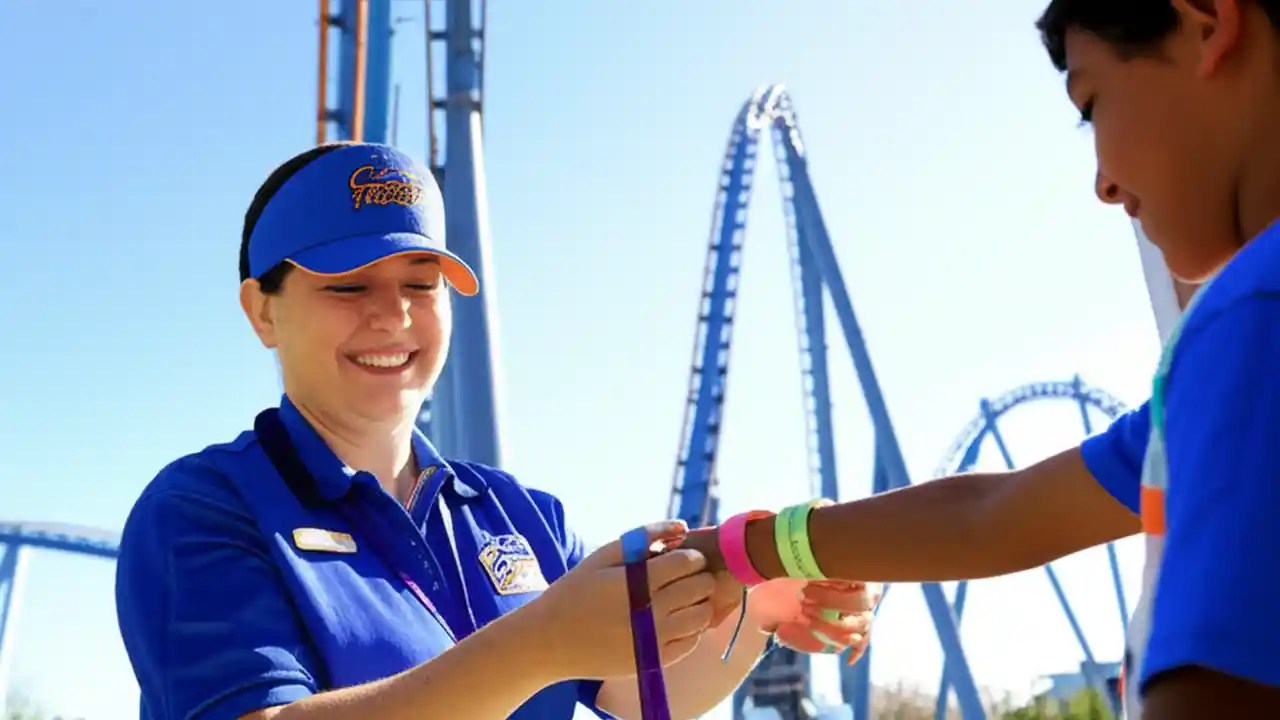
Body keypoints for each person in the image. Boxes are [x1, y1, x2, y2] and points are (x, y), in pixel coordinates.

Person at [114, 141, 876, 720]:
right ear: (262, 309)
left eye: (422, 283)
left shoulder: (516, 512)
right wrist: (541, 643)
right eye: (348, 285)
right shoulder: (205, 509)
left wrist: (755, 606)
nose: (395, 314)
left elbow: (640, 692)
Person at [685, 0, 1280, 717]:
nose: (1103, 183)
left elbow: (1218, 692)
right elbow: (993, 516)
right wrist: (746, 551)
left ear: (1207, 24)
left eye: (1091, 103)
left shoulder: (1251, 317)